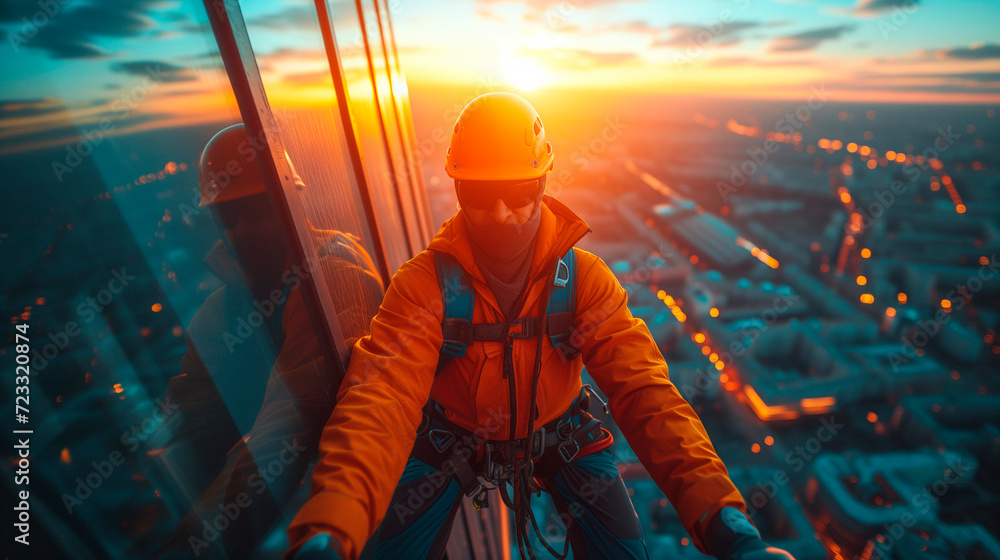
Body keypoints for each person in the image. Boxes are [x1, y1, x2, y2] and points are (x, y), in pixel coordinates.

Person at [284, 93, 796, 560]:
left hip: (559, 434)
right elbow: (382, 398)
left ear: (544, 183)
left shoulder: (583, 281)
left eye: (517, 190)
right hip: (450, 437)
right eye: (481, 196)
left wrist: (724, 520)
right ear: (458, 191)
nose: (501, 213)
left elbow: (646, 393)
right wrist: (335, 524)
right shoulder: (425, 285)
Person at [157, 124, 384, 558]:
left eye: (259, 208)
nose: (243, 229)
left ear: (291, 204)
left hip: (354, 515)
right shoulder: (220, 314)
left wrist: (194, 543)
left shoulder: (332, 278)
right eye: (229, 216)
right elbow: (195, 417)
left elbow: (288, 423)